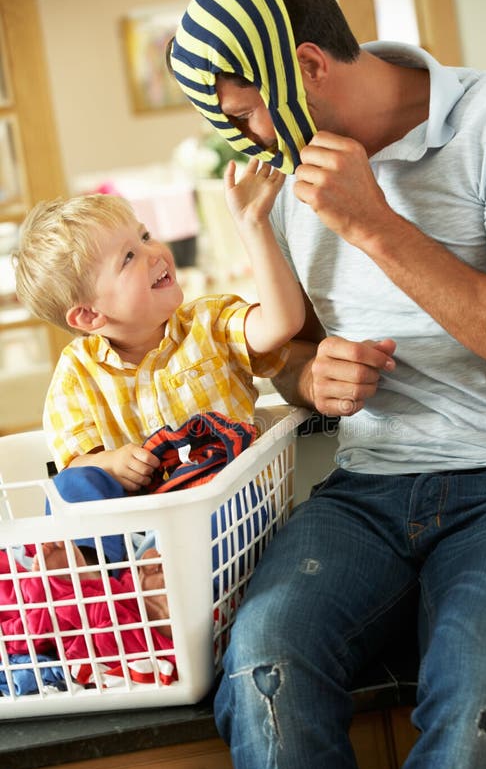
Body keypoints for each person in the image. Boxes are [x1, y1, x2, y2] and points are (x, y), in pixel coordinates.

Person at [168, 0, 486, 769]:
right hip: (366, 489)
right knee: (262, 671)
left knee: (478, 701)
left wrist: (374, 226)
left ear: (307, 66)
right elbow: (294, 351)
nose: (248, 141)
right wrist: (307, 378)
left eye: (248, 112)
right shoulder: (290, 175)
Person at [13, 160, 304, 589]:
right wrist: (110, 463)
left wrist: (253, 224)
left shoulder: (210, 323)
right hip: (131, 536)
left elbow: (282, 322)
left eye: (144, 235)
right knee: (72, 485)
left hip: (219, 522)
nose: (155, 252)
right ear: (91, 315)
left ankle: (153, 589)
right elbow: (79, 464)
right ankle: (102, 580)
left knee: (237, 505)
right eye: (129, 257)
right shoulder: (77, 373)